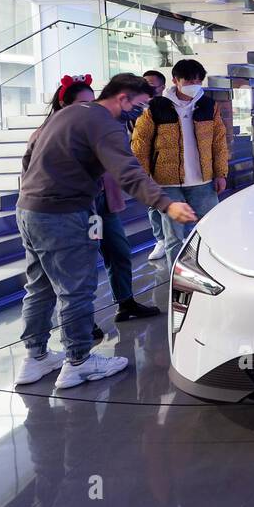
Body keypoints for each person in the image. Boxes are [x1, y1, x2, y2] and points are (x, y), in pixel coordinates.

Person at [14, 74, 195, 390]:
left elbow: (29, 158)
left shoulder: (68, 113)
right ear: (123, 98)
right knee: (77, 289)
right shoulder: (104, 124)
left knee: (40, 286)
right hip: (62, 214)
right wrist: (166, 204)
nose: (140, 113)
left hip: (30, 209)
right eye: (139, 106)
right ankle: (79, 361)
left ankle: (36, 357)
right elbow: (128, 173)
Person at [46, 76, 159, 342]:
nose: (89, 107)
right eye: (82, 103)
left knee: (119, 250)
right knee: (81, 267)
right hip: (77, 206)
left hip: (104, 202)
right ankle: (80, 323)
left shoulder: (105, 123)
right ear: (66, 104)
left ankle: (126, 301)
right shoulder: (56, 131)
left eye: (91, 101)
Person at [131, 59, 228, 263]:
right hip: (167, 183)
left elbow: (219, 141)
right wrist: (144, 178)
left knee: (213, 231)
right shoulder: (155, 107)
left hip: (204, 181)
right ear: (175, 80)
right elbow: (140, 144)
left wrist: (221, 173)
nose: (194, 83)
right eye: (189, 79)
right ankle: (176, 284)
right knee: (173, 238)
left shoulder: (209, 105)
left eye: (198, 79)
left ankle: (213, 272)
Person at [140, 70, 170, 260]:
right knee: (152, 204)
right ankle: (161, 239)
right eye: (144, 83)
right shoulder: (135, 107)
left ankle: (174, 238)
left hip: (166, 163)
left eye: (152, 84)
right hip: (145, 163)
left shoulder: (169, 106)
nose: (147, 87)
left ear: (162, 87)